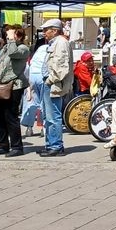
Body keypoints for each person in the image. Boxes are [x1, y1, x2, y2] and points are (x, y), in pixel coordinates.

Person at [0, 26, 29, 157]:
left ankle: (17, 147)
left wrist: (12, 40)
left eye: (11, 35)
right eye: (7, 35)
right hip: (0, 85)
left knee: (11, 116)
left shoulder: (23, 49)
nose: (8, 37)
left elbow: (13, 53)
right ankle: (3, 145)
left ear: (19, 36)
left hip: (14, 85)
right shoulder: (6, 47)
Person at [39, 19, 73, 157]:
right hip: (50, 83)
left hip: (54, 84)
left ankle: (56, 146)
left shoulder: (61, 43)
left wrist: (50, 80)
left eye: (46, 30)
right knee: (48, 115)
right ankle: (50, 144)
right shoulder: (55, 43)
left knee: (53, 116)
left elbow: (61, 66)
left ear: (54, 30)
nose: (44, 33)